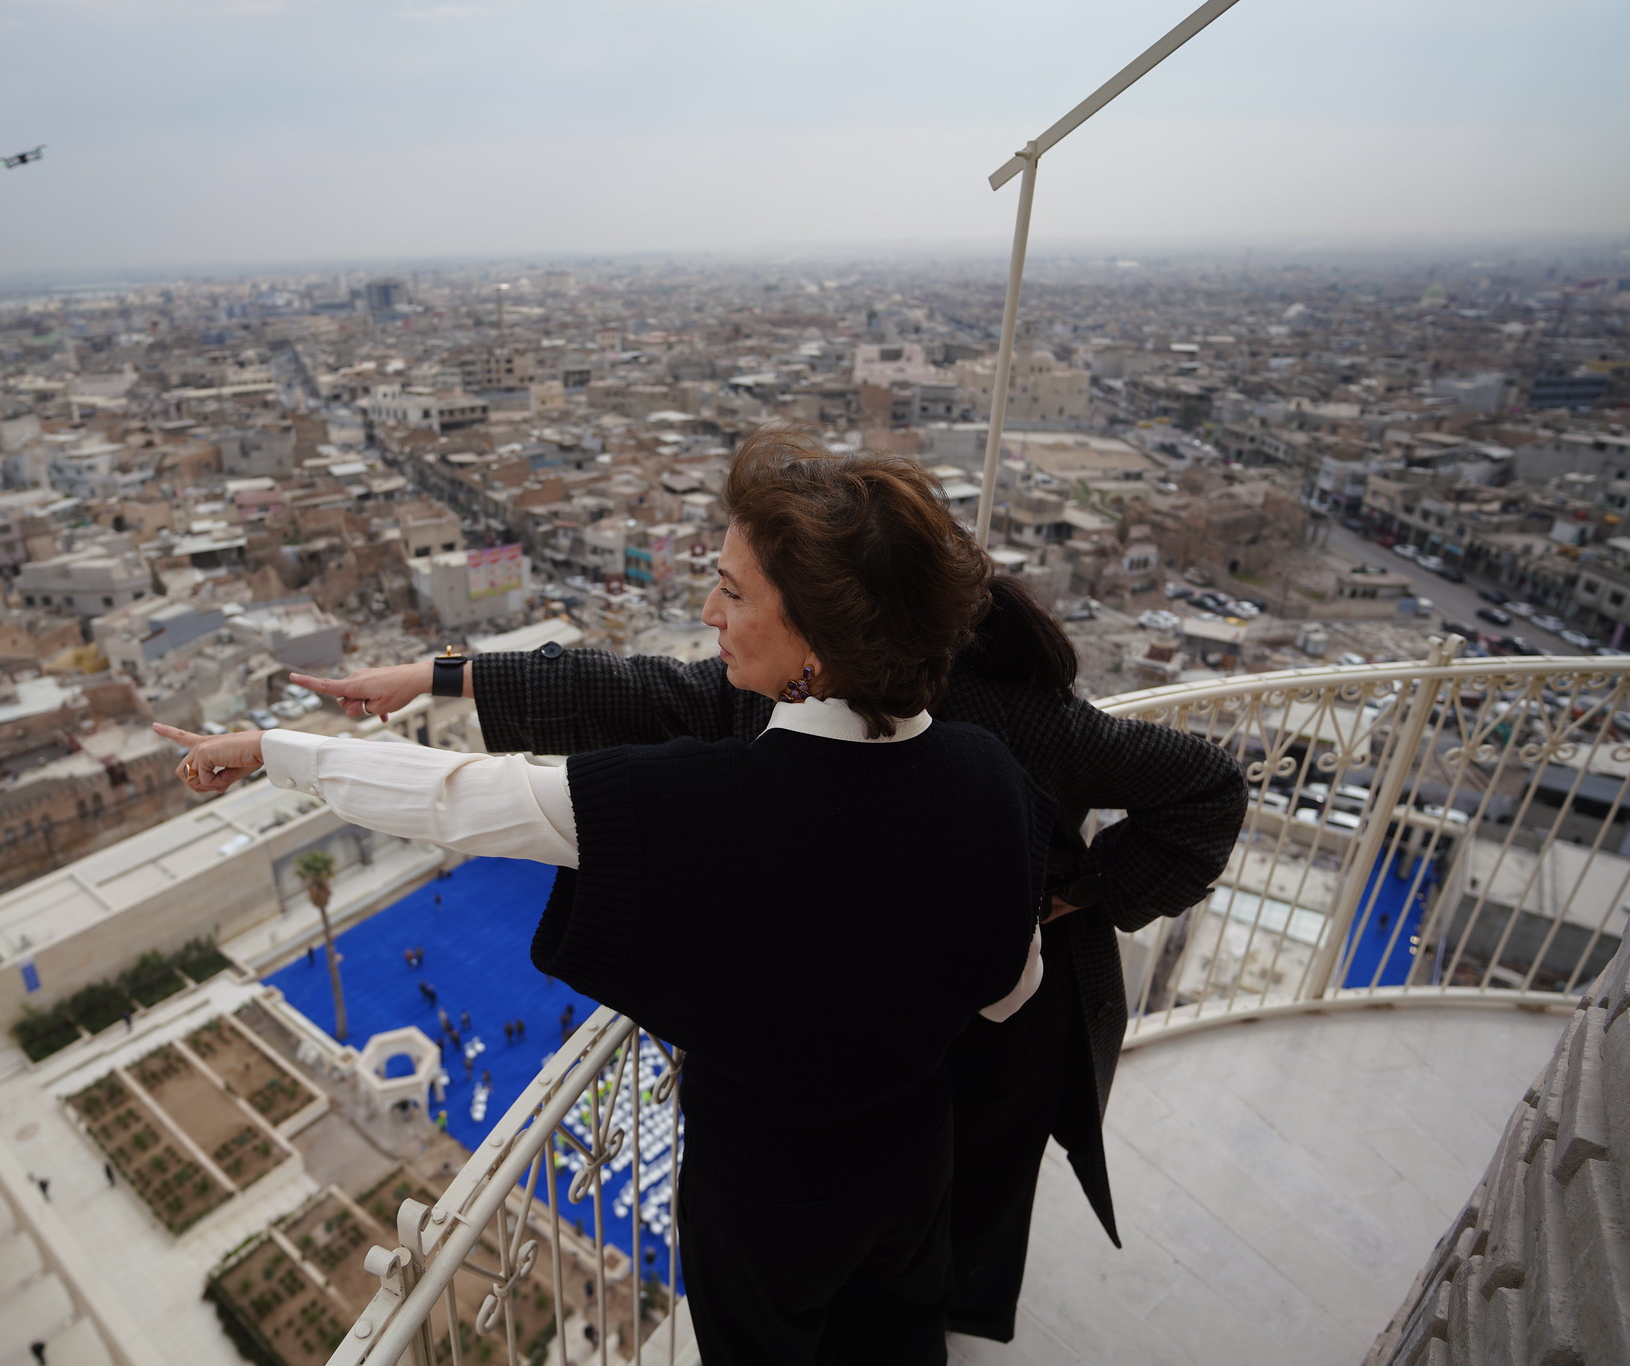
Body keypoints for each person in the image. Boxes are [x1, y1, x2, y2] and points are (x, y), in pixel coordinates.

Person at [286, 430, 1246, 1342]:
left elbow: (1205, 793)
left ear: (827, 626)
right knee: (906, 1261)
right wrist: (439, 674)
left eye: (732, 593)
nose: (712, 617)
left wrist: (1074, 895)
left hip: (950, 1080)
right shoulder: (831, 713)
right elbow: (623, 692)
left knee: (943, 1237)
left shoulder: (1014, 735)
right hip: (912, 1091)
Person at [158, 430, 1056, 1364]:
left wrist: (276, 753)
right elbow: (1010, 989)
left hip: (764, 1197)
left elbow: (455, 799)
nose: (708, 608)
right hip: (915, 1155)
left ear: (818, 643)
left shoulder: (696, 801)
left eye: (734, 591)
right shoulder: (985, 773)